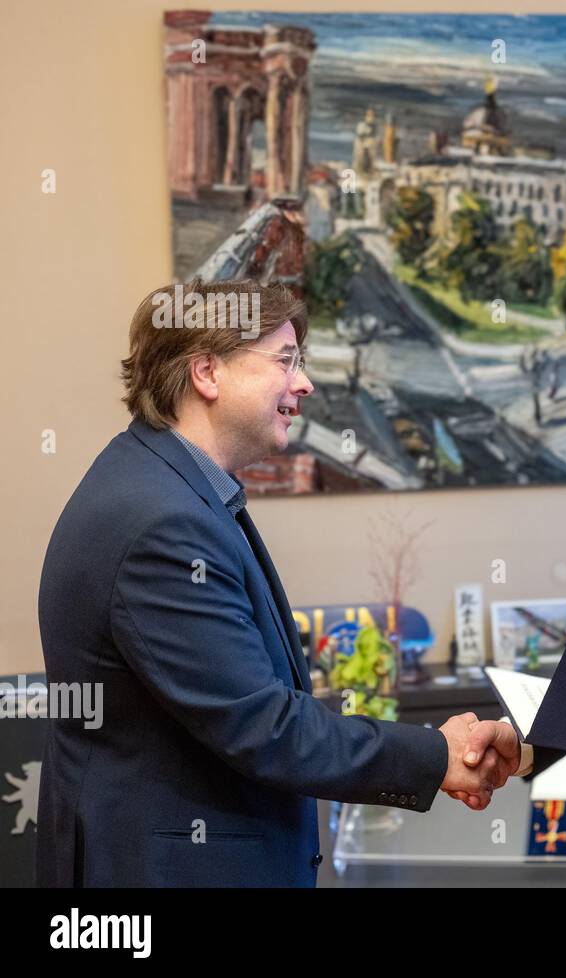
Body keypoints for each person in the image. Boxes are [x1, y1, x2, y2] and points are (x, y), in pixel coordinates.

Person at [37, 280, 520, 887]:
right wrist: (439, 755)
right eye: (285, 361)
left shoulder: (165, 485)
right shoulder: (165, 522)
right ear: (207, 372)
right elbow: (263, 727)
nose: (305, 383)